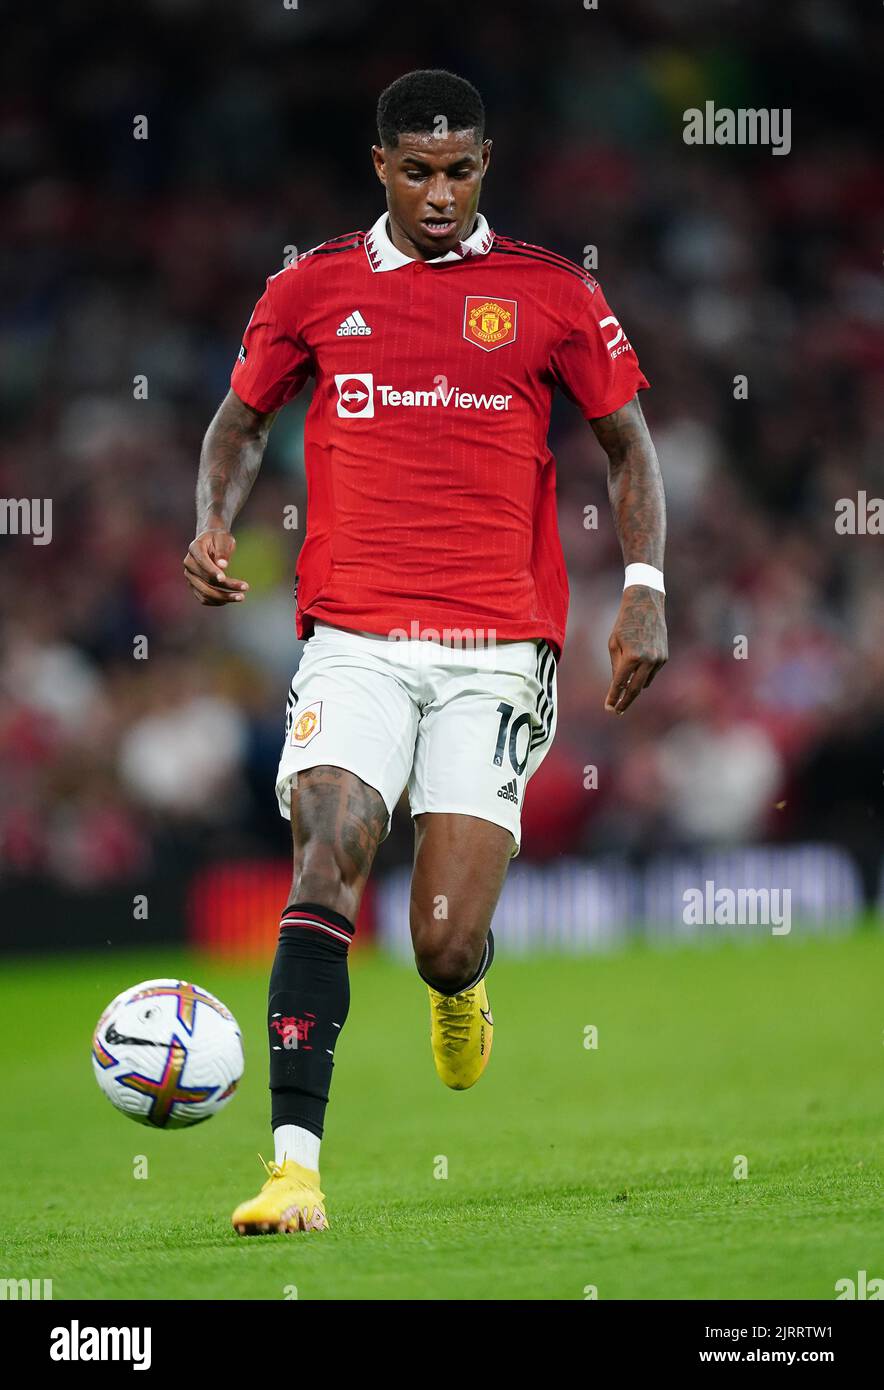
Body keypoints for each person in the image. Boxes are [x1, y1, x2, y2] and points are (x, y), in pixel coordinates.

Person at [183, 68, 668, 1234]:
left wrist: (644, 585)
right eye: (416, 170)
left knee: (441, 940)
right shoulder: (310, 288)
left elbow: (629, 446)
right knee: (324, 858)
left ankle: (462, 984)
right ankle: (293, 1167)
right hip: (352, 634)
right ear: (380, 167)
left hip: (495, 649)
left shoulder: (549, 294)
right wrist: (208, 518)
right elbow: (239, 420)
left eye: (457, 170)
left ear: (484, 163)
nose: (438, 192)